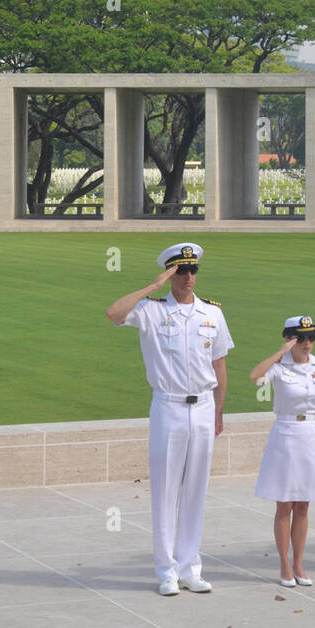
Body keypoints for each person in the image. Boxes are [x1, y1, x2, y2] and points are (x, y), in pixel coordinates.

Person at [105, 242, 233, 595]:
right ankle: (166, 570)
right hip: (169, 406)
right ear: (170, 273)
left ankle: (191, 567)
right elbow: (114, 313)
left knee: (196, 490)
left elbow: (219, 364)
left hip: (204, 407)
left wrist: (219, 411)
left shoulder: (212, 314)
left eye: (193, 270)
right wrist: (152, 286)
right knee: (164, 490)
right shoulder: (152, 310)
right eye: (181, 270)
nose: (189, 277)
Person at [250, 316, 315, 588]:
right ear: (290, 339)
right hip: (285, 435)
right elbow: (255, 378)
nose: (307, 343)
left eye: (311, 337)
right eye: (301, 337)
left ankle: (299, 563)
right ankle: (284, 563)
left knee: (304, 504)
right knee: (284, 504)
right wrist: (281, 353)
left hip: (309, 435)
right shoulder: (279, 367)